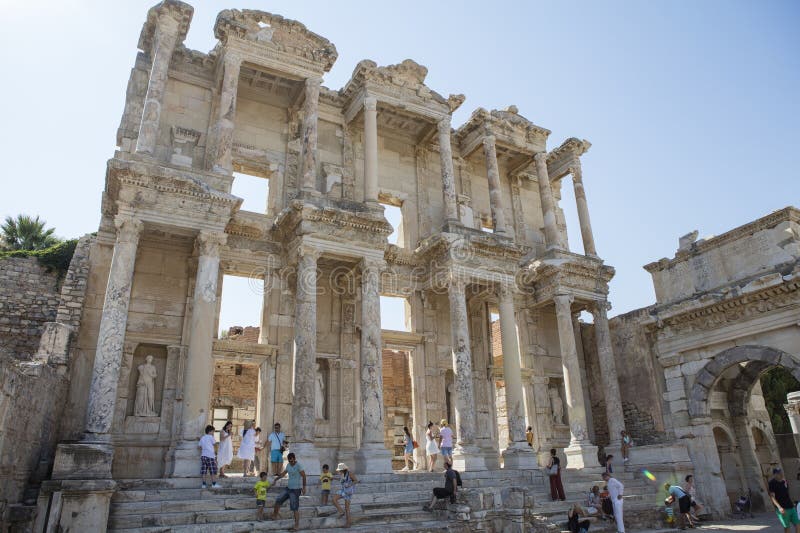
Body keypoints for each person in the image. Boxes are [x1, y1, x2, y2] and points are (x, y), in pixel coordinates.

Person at [272, 452, 306, 531]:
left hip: (296, 490)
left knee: (295, 508)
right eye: (290, 461)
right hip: (289, 488)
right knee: (278, 500)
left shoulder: (299, 466)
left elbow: (304, 476)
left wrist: (304, 487)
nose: (291, 462)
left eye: (292, 461)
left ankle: (296, 526)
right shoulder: (288, 465)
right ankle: (274, 516)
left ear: (294, 459)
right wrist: (275, 479)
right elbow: (283, 474)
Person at [769, 467, 800, 533]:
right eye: (778, 473)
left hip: (791, 507)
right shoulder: (772, 483)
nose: (781, 474)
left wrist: (792, 502)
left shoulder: (784, 482)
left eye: (781, 472)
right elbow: (772, 497)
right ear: (774, 475)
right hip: (783, 509)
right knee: (787, 527)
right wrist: (779, 507)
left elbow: (787, 494)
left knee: (798, 524)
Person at [332, 463, 359, 528]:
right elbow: (341, 480)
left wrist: (350, 485)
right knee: (334, 499)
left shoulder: (350, 473)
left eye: (340, 470)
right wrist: (333, 478)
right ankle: (341, 511)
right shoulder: (342, 474)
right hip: (343, 491)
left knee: (347, 508)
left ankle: (348, 524)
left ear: (343, 469)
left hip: (348, 492)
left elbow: (356, 480)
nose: (339, 471)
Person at [198, 424, 220, 489]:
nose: (213, 433)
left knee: (204, 471)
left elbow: (199, 446)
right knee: (213, 470)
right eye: (213, 431)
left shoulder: (203, 437)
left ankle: (204, 484)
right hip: (210, 456)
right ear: (210, 431)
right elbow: (215, 444)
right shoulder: (211, 437)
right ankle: (214, 484)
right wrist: (215, 453)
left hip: (203, 456)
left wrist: (204, 448)